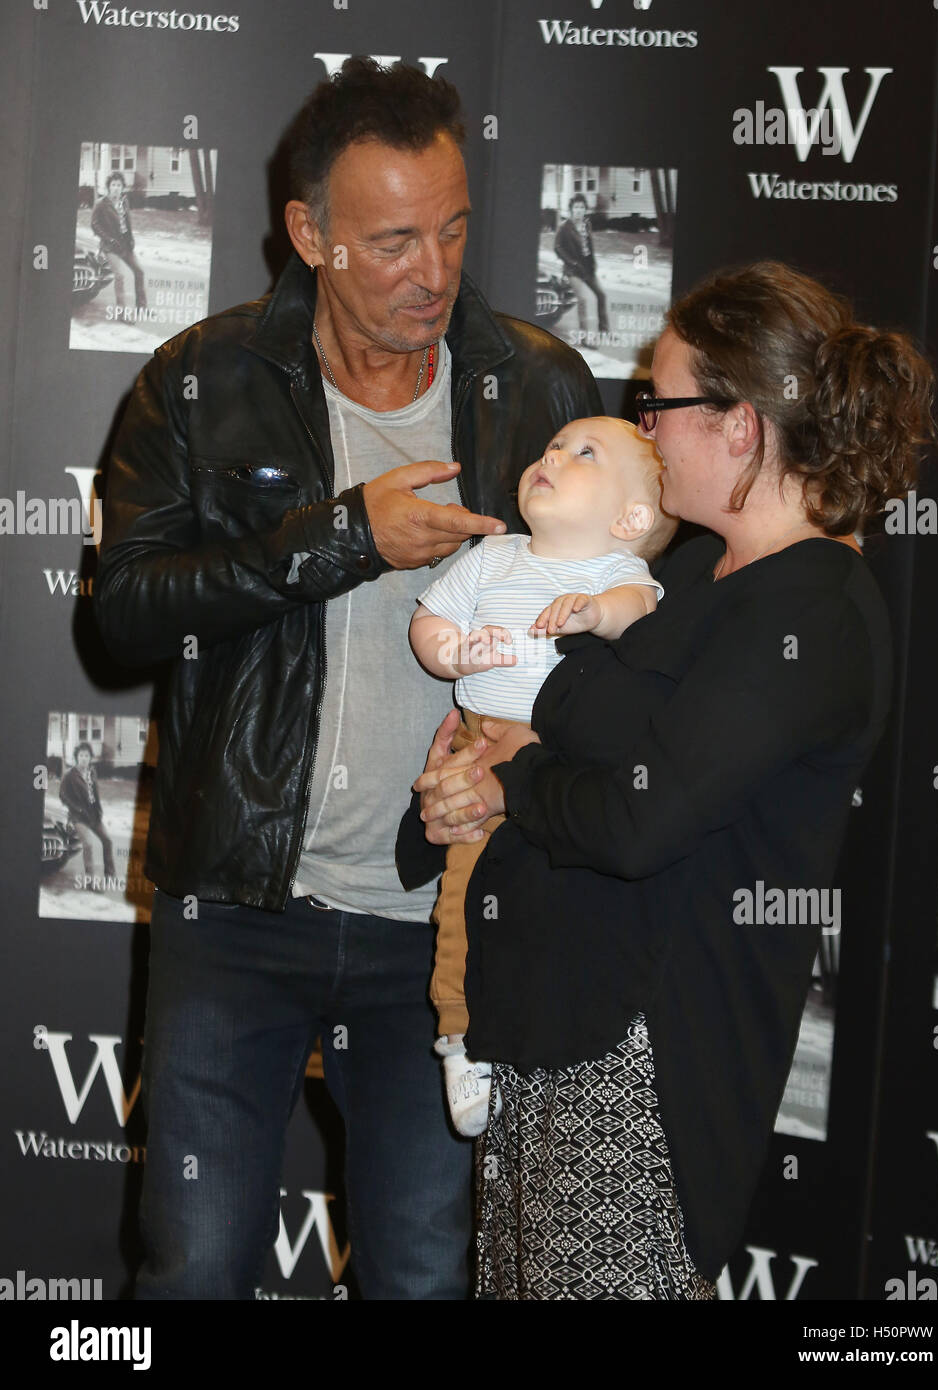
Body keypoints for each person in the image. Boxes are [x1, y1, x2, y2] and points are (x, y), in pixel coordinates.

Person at [93, 58, 600, 1301]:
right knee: (193, 1268)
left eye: (453, 227)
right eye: (389, 241)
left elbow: (610, 649)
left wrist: (518, 769)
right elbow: (125, 620)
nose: (432, 270)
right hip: (238, 907)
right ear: (309, 234)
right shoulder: (199, 382)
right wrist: (341, 540)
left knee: (421, 1275)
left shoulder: (535, 390)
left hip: (436, 927)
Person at [407, 261, 937, 1299]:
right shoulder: (692, 570)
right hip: (546, 1031)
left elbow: (637, 817)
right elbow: (573, 724)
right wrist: (479, 768)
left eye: (660, 403)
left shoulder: (811, 614)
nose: (643, 429)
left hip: (642, 1071)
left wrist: (518, 779)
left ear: (738, 426)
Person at [409, 417, 674, 1134]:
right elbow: (429, 621)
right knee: (459, 903)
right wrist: (453, 653)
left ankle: (511, 1027)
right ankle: (459, 1036)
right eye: (551, 444)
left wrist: (593, 612)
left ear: (630, 518)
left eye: (584, 454)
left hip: (555, 770)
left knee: (527, 913)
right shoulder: (492, 556)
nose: (552, 455)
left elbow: (637, 611)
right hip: (474, 749)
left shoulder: (618, 574)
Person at [59, 742, 116, 892]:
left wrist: (99, 810)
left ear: (90, 758)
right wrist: (77, 808)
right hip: (78, 817)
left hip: (93, 815)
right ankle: (91, 883)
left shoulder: (92, 772)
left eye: (86, 755)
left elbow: (95, 794)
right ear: (77, 757)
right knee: (89, 845)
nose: (84, 758)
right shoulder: (70, 775)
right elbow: (62, 795)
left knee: (108, 840)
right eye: (81, 755)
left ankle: (110, 875)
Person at [554, 193, 609, 336]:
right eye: (576, 207)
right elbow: (557, 247)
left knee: (601, 295)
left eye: (582, 207)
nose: (579, 210)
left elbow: (589, 246)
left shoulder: (586, 224)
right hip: (573, 270)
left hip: (587, 269)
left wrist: (593, 263)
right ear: (571, 209)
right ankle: (585, 337)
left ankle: (604, 330)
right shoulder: (565, 226)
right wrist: (571, 262)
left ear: (585, 209)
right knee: (583, 300)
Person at [91, 172, 147, 312]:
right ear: (109, 187)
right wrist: (108, 238)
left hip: (125, 245)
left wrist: (131, 238)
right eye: (113, 185)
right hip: (110, 247)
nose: (116, 188)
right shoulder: (101, 203)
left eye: (119, 185)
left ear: (122, 187)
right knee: (120, 276)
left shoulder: (124, 201)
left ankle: (142, 306)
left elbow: (127, 222)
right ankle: (122, 312)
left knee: (139, 271)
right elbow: (94, 224)